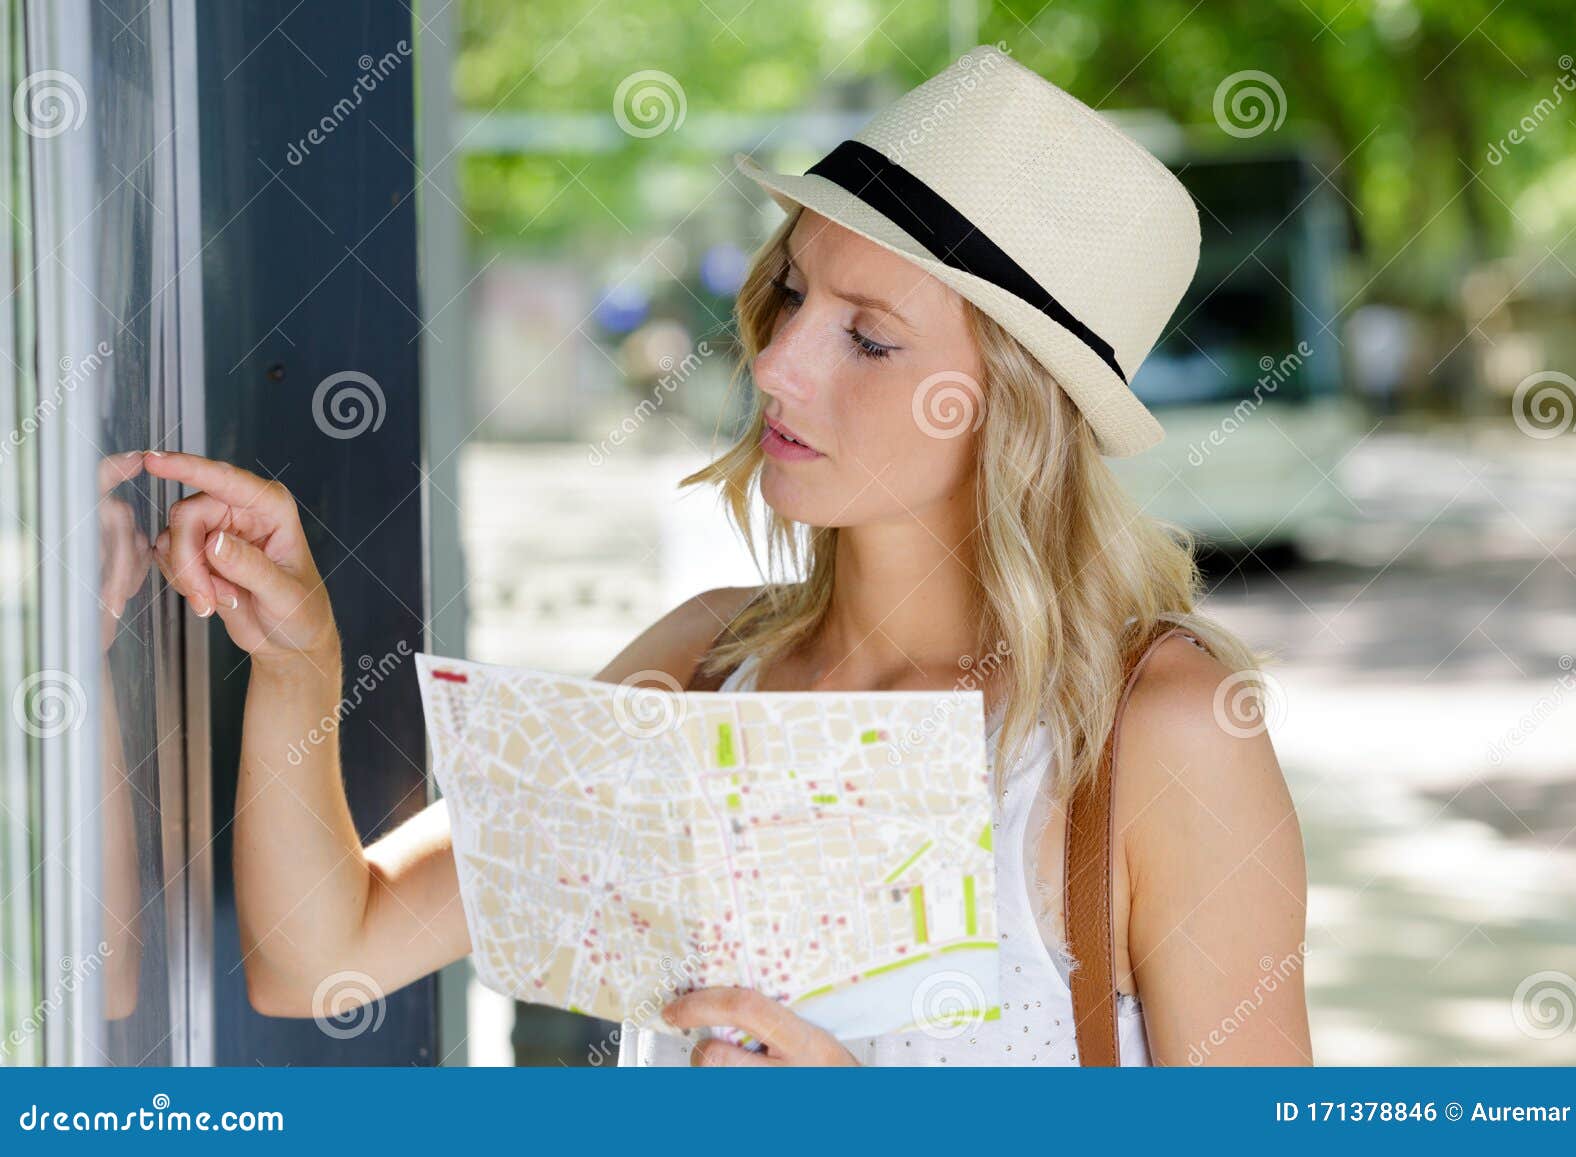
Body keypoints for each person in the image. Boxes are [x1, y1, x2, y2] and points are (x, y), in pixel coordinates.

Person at [143, 45, 1310, 1066]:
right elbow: (319, 955)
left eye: (868, 337)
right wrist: (299, 662)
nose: (777, 362)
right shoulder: (706, 662)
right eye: (791, 293)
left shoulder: (1158, 734)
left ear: (1009, 406)